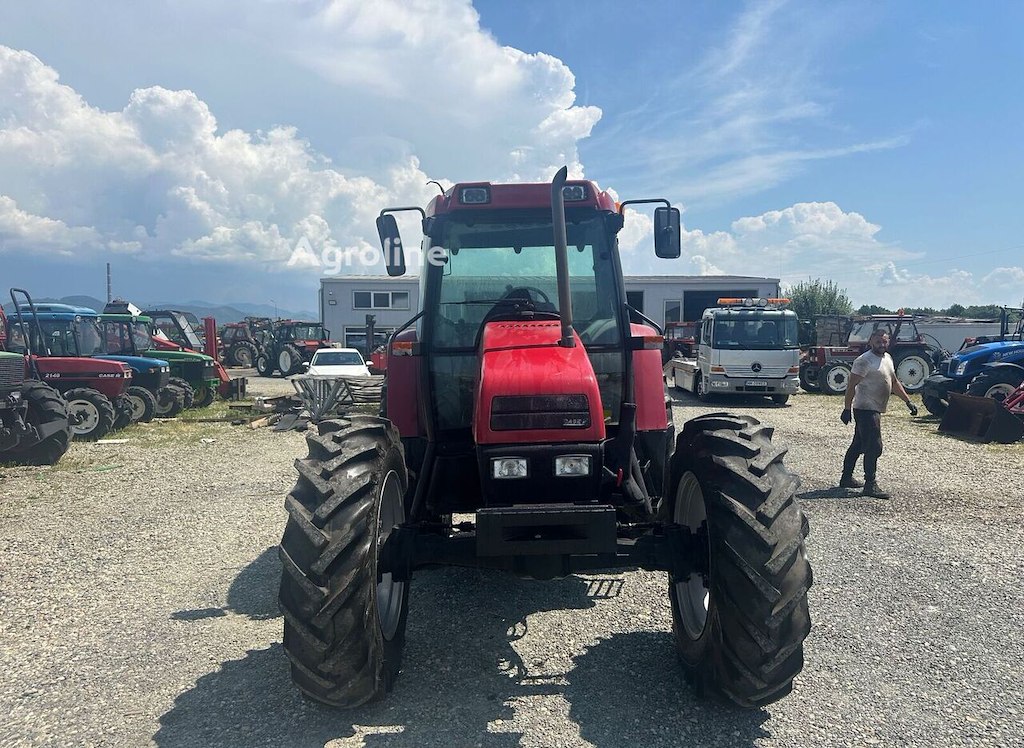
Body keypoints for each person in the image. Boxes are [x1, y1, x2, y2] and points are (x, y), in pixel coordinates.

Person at [839, 330, 918, 498]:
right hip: (866, 408)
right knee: (875, 446)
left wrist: (908, 401)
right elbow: (851, 385)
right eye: (878, 342)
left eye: (884, 342)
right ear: (870, 342)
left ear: (888, 342)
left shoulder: (887, 358)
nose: (881, 345)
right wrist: (846, 409)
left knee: (858, 445)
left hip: (876, 407)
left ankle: (846, 478)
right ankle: (870, 484)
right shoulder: (864, 360)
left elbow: (894, 382)